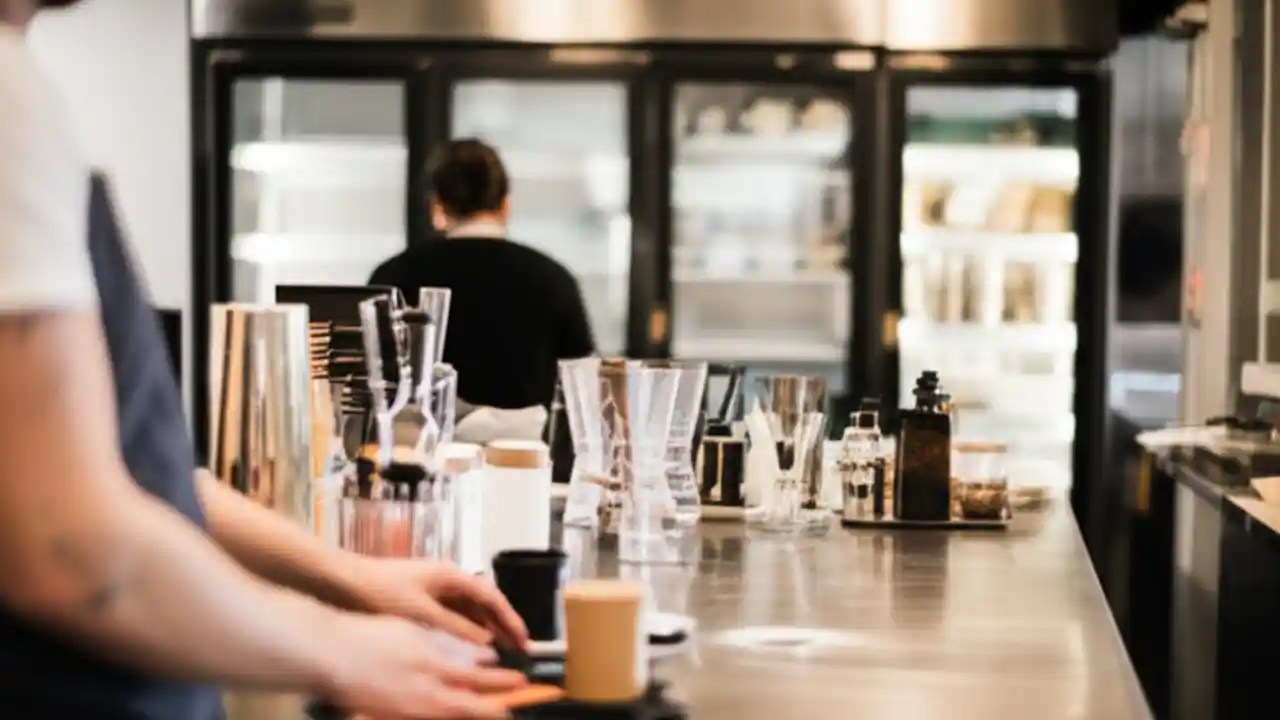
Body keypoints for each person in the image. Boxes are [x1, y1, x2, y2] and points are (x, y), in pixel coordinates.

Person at [0, 3, 527, 718]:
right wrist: (344, 650)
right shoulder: (9, 100)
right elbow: (70, 549)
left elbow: (134, 481)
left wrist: (355, 578)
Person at [370, 139, 595, 409]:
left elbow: (373, 377)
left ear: (436, 207)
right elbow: (583, 382)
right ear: (505, 205)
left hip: (419, 434)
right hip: (529, 435)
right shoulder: (554, 279)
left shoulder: (394, 276)